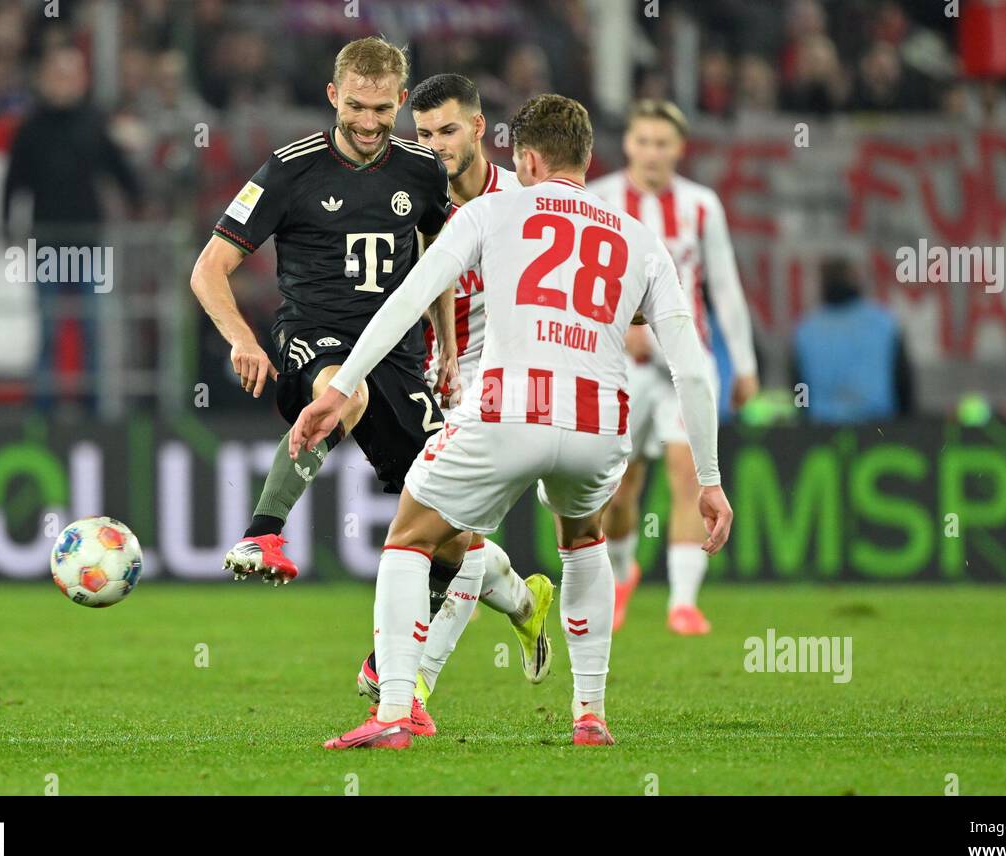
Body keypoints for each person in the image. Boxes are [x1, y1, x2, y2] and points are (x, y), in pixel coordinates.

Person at [292, 93, 734, 750]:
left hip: (507, 411)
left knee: (412, 536)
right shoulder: (641, 240)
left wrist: (343, 384)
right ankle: (590, 714)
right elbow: (693, 367)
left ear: (525, 158)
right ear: (588, 159)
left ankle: (393, 711)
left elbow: (410, 295)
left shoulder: (491, 211)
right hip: (596, 425)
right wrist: (709, 477)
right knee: (583, 538)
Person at [188, 39, 536, 739]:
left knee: (449, 530)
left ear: (400, 101)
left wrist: (444, 351)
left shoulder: (420, 170)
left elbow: (438, 264)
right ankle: (262, 534)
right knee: (341, 394)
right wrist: (243, 339)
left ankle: (513, 605)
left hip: (401, 358)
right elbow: (208, 270)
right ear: (332, 97)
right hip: (310, 337)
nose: (371, 121)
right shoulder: (289, 168)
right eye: (357, 106)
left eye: (383, 108)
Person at [353, 73, 555, 725]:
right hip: (436, 383)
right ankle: (524, 604)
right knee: (448, 541)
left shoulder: (523, 201)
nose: (435, 145)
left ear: (478, 128)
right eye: (424, 134)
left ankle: (410, 691)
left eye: (446, 130)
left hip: (513, 388)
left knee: (435, 533)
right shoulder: (414, 204)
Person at [586, 100, 758, 636]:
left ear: (679, 148)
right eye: (643, 141)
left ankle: (683, 602)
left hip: (687, 362)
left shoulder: (702, 205)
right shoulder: (601, 199)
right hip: (622, 365)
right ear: (629, 145)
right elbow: (590, 281)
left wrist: (745, 364)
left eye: (664, 143)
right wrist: (625, 325)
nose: (653, 152)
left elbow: (724, 289)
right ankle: (621, 576)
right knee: (620, 488)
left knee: (690, 477)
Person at [3, 46, 141, 414]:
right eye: (57, 75)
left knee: (92, 328)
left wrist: (140, 204)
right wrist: (5, 228)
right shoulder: (30, 128)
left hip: (89, 243)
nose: (64, 84)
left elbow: (119, 171)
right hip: (47, 243)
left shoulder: (93, 123)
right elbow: (12, 183)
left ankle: (92, 408)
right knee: (48, 328)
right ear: (44, 79)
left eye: (71, 75)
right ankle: (43, 408)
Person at [792, 258, 914, 423]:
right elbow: (903, 380)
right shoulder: (883, 323)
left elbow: (799, 386)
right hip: (880, 427)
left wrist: (803, 419)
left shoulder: (806, 330)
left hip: (822, 429)